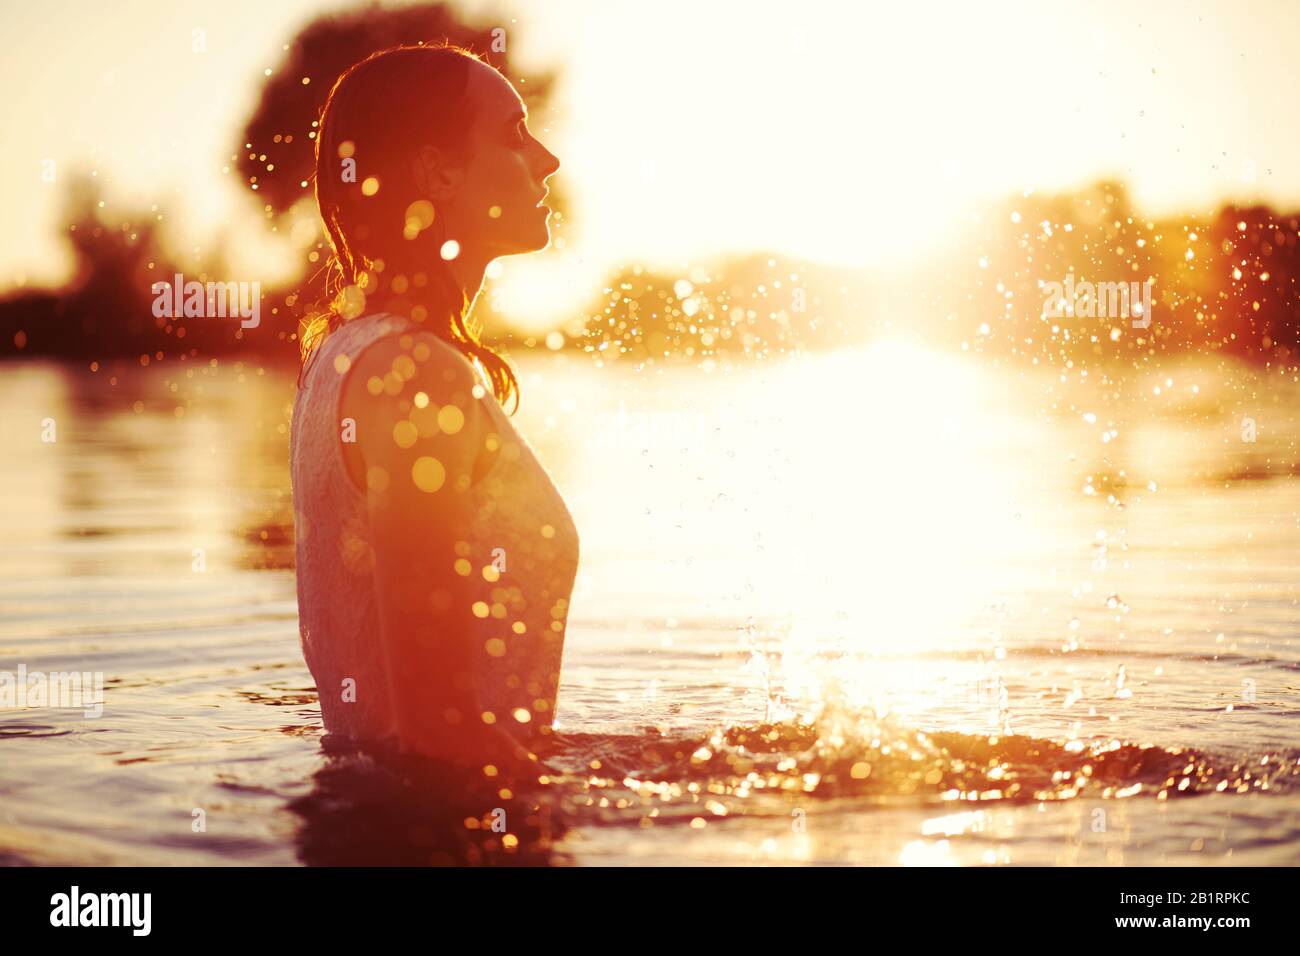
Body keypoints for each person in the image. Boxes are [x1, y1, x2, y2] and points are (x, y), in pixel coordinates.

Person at [290, 44, 577, 769]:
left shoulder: (342, 356)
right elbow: (438, 735)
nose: (546, 160)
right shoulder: (416, 372)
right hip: (440, 833)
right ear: (434, 171)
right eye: (513, 134)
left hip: (371, 817)